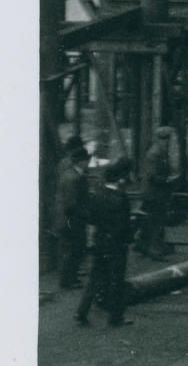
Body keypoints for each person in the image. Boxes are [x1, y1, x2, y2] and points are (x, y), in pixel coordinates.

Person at [75, 159, 133, 328]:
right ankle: (115, 317)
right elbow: (125, 224)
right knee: (116, 280)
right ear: (120, 179)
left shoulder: (97, 194)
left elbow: (91, 218)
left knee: (94, 278)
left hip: (100, 242)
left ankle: (81, 312)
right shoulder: (121, 198)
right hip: (117, 244)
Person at [138, 121, 182, 258]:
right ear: (165, 139)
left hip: (157, 193)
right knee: (155, 221)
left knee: (151, 221)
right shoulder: (155, 153)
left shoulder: (161, 151)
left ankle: (144, 245)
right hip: (153, 193)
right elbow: (152, 176)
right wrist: (168, 180)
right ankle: (154, 248)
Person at [53, 136, 90, 290]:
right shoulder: (74, 178)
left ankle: (68, 278)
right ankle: (68, 280)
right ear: (80, 161)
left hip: (66, 218)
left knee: (70, 249)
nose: (88, 163)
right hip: (71, 220)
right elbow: (72, 203)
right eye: (86, 160)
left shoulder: (70, 174)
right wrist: (86, 215)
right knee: (73, 249)